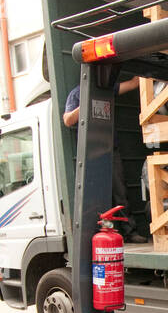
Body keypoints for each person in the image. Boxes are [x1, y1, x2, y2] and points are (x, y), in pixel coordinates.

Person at [63, 76, 148, 242]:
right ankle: (105, 234)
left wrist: (146, 75)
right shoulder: (77, 94)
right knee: (97, 195)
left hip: (111, 148)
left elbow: (131, 84)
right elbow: (67, 120)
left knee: (120, 192)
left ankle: (130, 232)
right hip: (92, 152)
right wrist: (87, 103)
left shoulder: (108, 90)